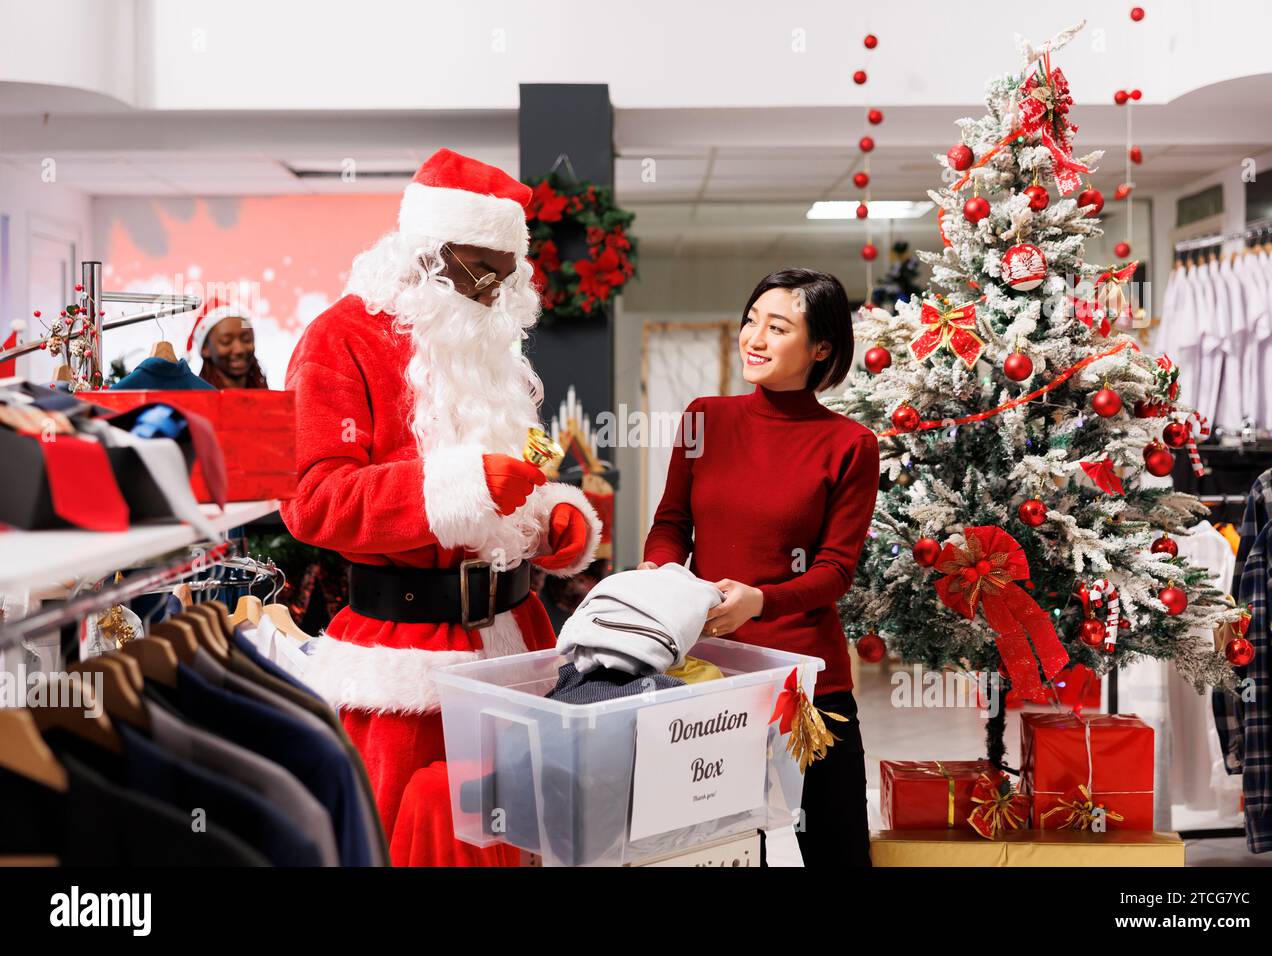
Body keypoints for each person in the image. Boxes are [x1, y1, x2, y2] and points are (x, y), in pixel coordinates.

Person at [280, 148, 601, 866]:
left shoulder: (490, 344)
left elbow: (525, 461)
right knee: (403, 845)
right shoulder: (340, 339)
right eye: (477, 269)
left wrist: (550, 519)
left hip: (518, 645)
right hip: (402, 663)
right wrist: (456, 486)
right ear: (424, 253)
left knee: (522, 842)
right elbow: (314, 501)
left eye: (505, 274)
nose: (493, 292)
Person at [641, 268, 879, 866]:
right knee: (710, 852)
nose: (755, 337)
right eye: (752, 321)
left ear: (820, 348)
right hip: (706, 677)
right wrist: (663, 579)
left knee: (832, 850)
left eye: (778, 327)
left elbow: (835, 571)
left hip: (806, 687)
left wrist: (762, 601)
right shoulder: (705, 419)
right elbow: (671, 525)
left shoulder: (849, 444)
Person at [187, 295, 269, 389]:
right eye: (226, 342)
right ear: (205, 348)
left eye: (246, 340)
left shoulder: (269, 399)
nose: (239, 350)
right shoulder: (195, 400)